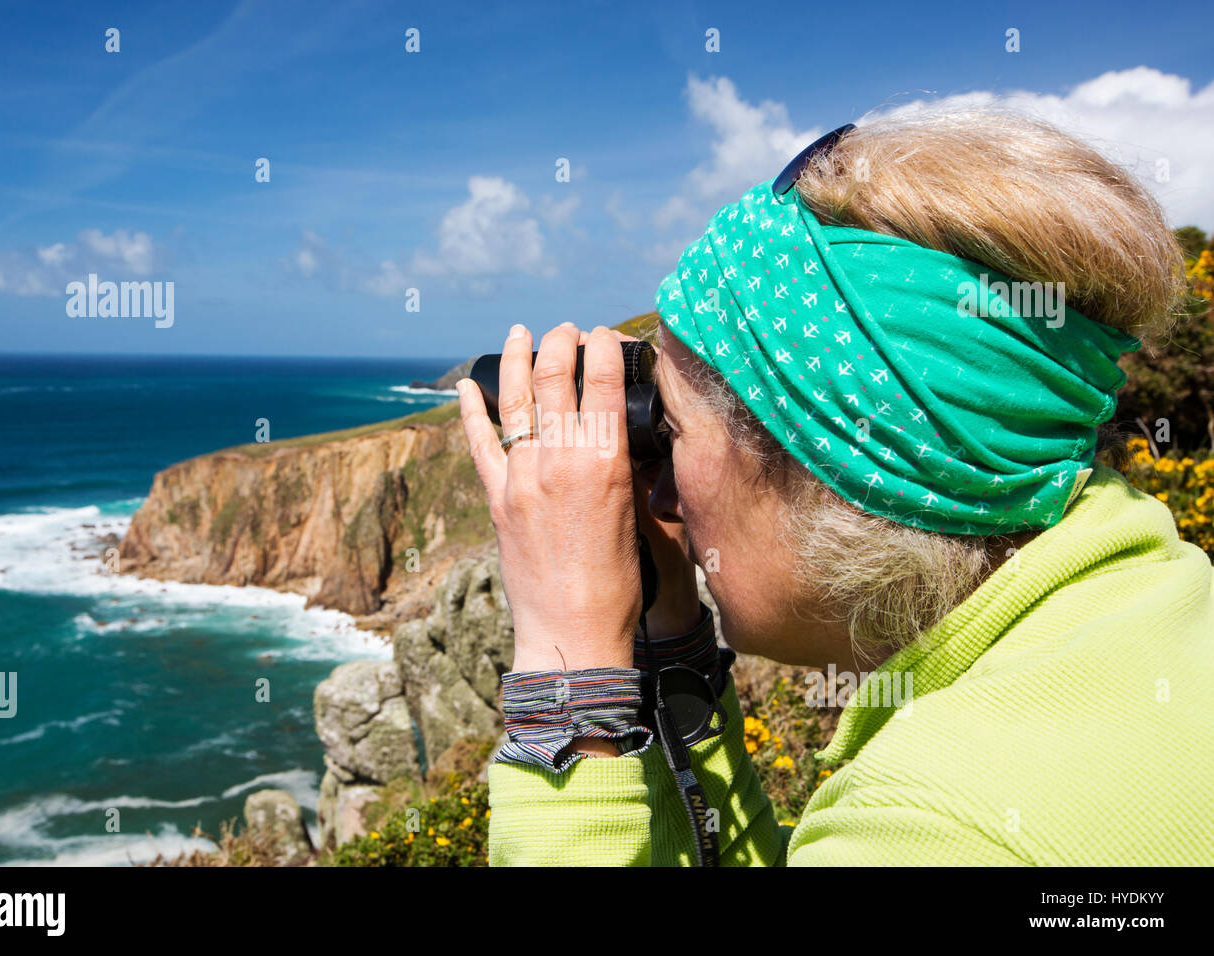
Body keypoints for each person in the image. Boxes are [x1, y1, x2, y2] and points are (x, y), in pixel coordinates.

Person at [453, 108, 1214, 866]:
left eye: (672, 434)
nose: (661, 495)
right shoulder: (1157, 595)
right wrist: (675, 645)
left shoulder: (943, 828)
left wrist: (571, 680)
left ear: (833, 467)